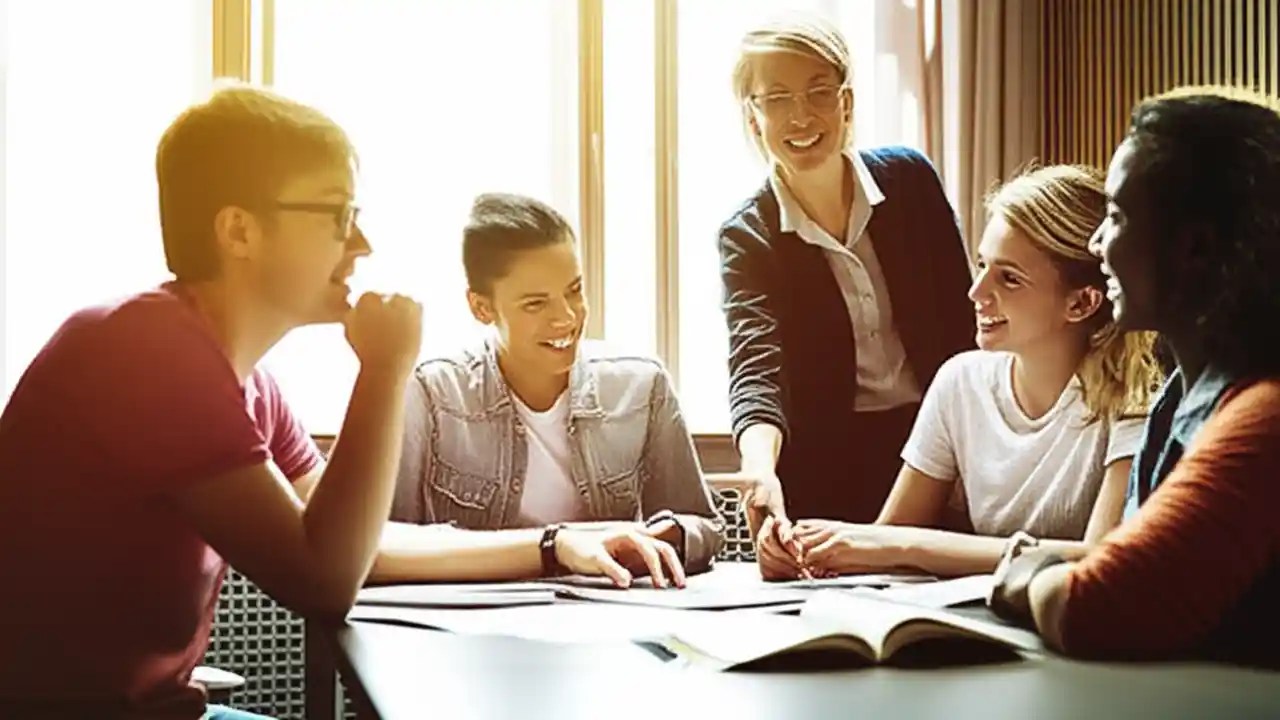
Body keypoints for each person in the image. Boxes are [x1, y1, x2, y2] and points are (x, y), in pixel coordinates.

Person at [0, 84, 680, 719]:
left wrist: (558, 544)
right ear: (238, 231)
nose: (361, 245)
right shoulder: (148, 352)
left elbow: (362, 548)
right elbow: (324, 579)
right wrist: (384, 370)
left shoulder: (244, 383)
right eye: (336, 215)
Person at [989, 87, 1280, 667]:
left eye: (1117, 217)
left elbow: (1098, 607)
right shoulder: (1180, 395)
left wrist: (1034, 571)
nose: (1097, 243)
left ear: (1193, 247)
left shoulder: (1265, 416)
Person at [757, 165, 1163, 579]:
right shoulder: (960, 383)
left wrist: (907, 545)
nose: (976, 292)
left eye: (1009, 279)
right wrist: (806, 553)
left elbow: (1098, 556)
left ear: (1080, 304)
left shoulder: (1135, 399)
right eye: (982, 265)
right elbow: (884, 544)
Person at [716, 13, 975, 559]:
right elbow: (756, 364)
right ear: (752, 116)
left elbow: (967, 323)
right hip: (825, 467)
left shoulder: (909, 182)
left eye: (819, 92)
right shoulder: (748, 235)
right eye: (778, 98)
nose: (802, 115)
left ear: (847, 103)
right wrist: (760, 467)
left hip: (936, 449)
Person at [389, 193, 723, 575]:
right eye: (536, 304)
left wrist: (672, 535)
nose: (566, 317)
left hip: (607, 611)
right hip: (472, 618)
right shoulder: (432, 394)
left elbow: (705, 525)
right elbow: (382, 539)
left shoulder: (642, 388)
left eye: (574, 291)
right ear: (481, 308)